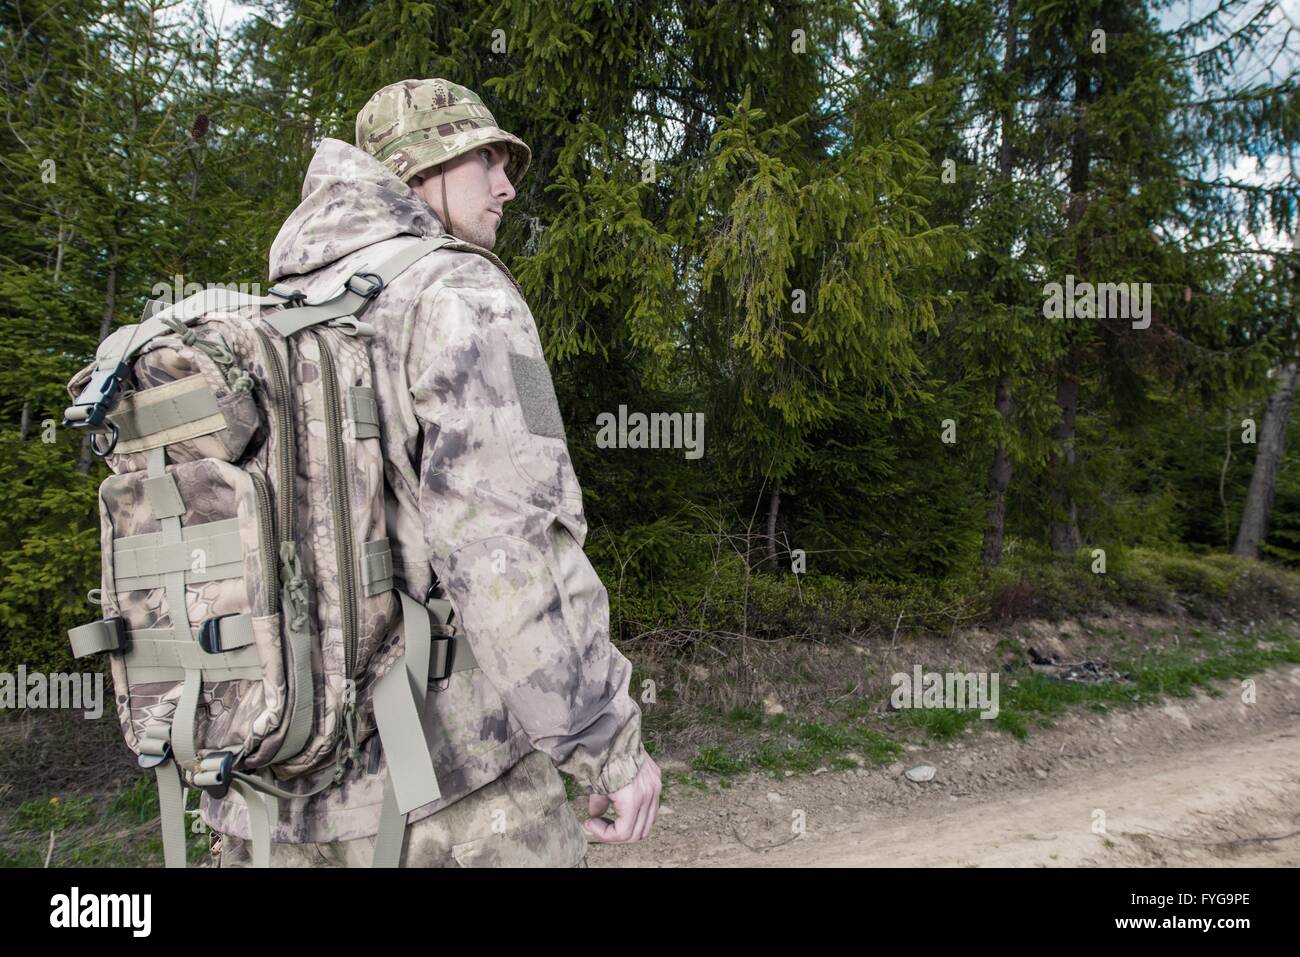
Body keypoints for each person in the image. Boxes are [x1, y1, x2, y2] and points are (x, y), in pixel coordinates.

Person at [209, 78, 660, 867]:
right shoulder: (463, 292)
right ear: (418, 173)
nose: (507, 184)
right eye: (483, 157)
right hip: (450, 795)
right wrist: (608, 747)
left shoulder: (270, 316)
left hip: (266, 800)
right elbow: (512, 551)